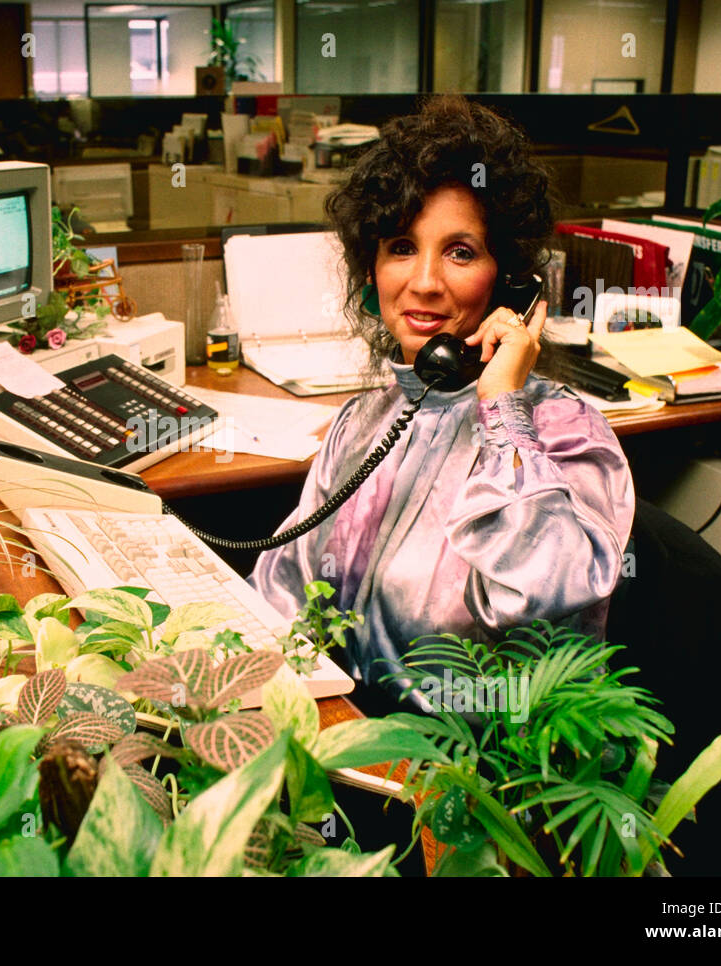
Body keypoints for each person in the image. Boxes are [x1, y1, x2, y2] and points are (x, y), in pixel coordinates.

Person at [249, 96, 635, 707]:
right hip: (347, 745)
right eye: (401, 246)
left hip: (476, 777)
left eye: (460, 251)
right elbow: (285, 593)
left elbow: (542, 595)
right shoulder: (361, 426)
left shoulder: (564, 432)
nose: (424, 281)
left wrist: (503, 411)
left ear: (509, 279)